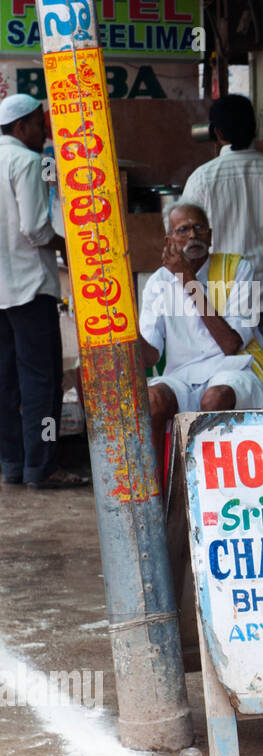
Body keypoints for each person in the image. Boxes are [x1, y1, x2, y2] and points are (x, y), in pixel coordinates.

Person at [141, 203, 263, 482]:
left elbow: (231, 344)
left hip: (232, 370)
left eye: (199, 227)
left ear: (210, 235)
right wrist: (123, 324)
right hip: (182, 377)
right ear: (169, 241)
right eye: (183, 230)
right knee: (151, 401)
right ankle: (156, 499)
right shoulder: (157, 282)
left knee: (213, 399)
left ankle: (212, 491)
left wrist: (187, 279)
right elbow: (150, 356)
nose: (192, 235)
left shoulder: (239, 268)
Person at [182, 95, 263, 374]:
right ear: (254, 129)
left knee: (223, 375)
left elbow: (186, 241)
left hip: (222, 295)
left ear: (216, 133)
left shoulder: (202, 178)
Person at [0, 93, 85, 490]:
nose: (45, 129)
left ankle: (13, 463)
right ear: (21, 128)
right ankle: (44, 465)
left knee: (5, 380)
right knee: (41, 383)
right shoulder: (27, 162)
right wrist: (68, 246)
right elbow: (35, 229)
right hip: (30, 288)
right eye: (39, 123)